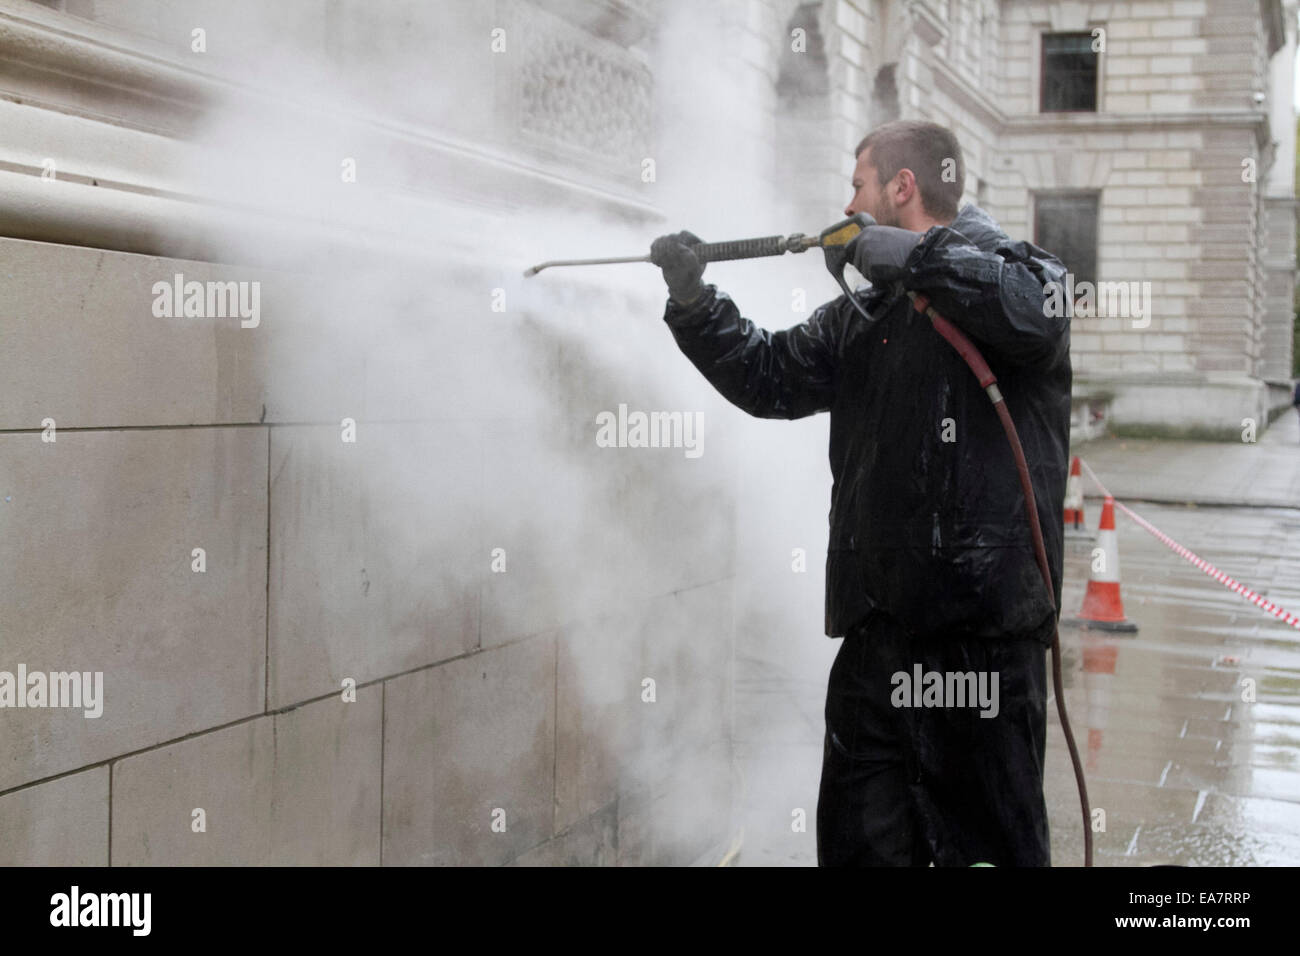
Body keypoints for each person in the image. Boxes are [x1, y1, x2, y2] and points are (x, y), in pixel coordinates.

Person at [650, 120, 1072, 866]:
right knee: (860, 847)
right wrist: (694, 301)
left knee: (989, 850)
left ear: (901, 188)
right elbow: (769, 374)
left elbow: (1039, 311)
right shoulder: (865, 314)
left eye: (858, 185)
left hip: (981, 646)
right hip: (877, 642)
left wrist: (919, 257)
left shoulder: (1016, 269)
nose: (847, 202)